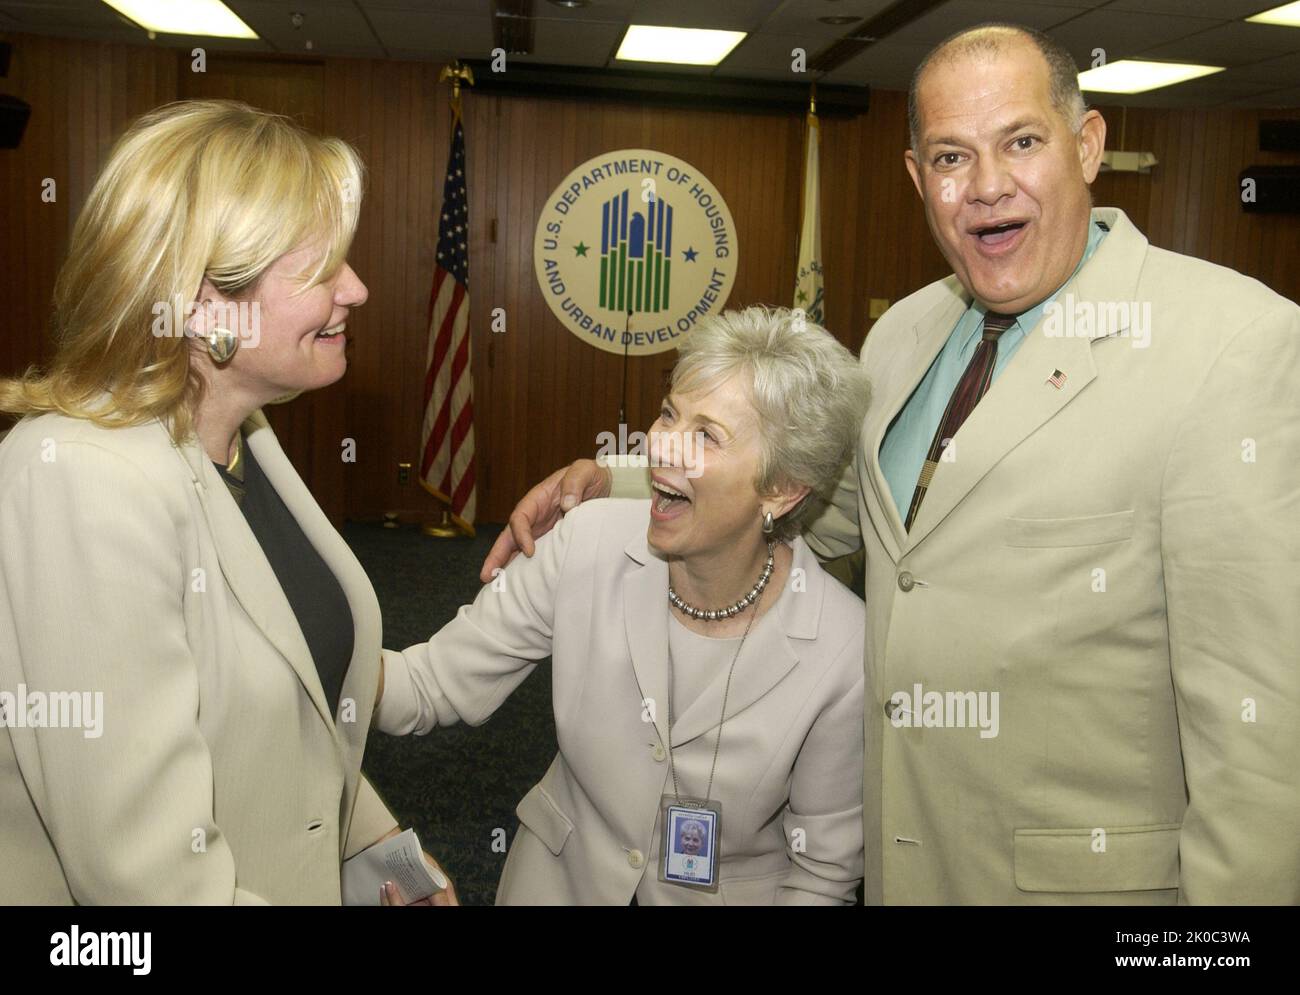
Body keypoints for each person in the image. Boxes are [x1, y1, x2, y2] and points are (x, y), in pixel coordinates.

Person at [482, 23, 1300, 904]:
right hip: (903, 859)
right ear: (919, 177)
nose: (987, 187)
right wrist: (615, 478)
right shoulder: (907, 331)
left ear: (1089, 145)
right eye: (952, 156)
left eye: (1021, 142)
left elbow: (1263, 738)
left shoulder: (1231, 343)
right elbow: (818, 503)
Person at [0, 99, 453, 905]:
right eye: (322, 267)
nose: (357, 288)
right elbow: (145, 874)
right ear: (203, 300)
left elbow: (287, 710)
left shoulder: (246, 436)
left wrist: (374, 844)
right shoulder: (76, 473)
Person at [378, 307, 868, 905]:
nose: (661, 443)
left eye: (706, 435)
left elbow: (821, 874)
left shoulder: (842, 646)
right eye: (668, 413)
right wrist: (309, 657)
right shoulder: (587, 542)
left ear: (782, 488)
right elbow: (429, 684)